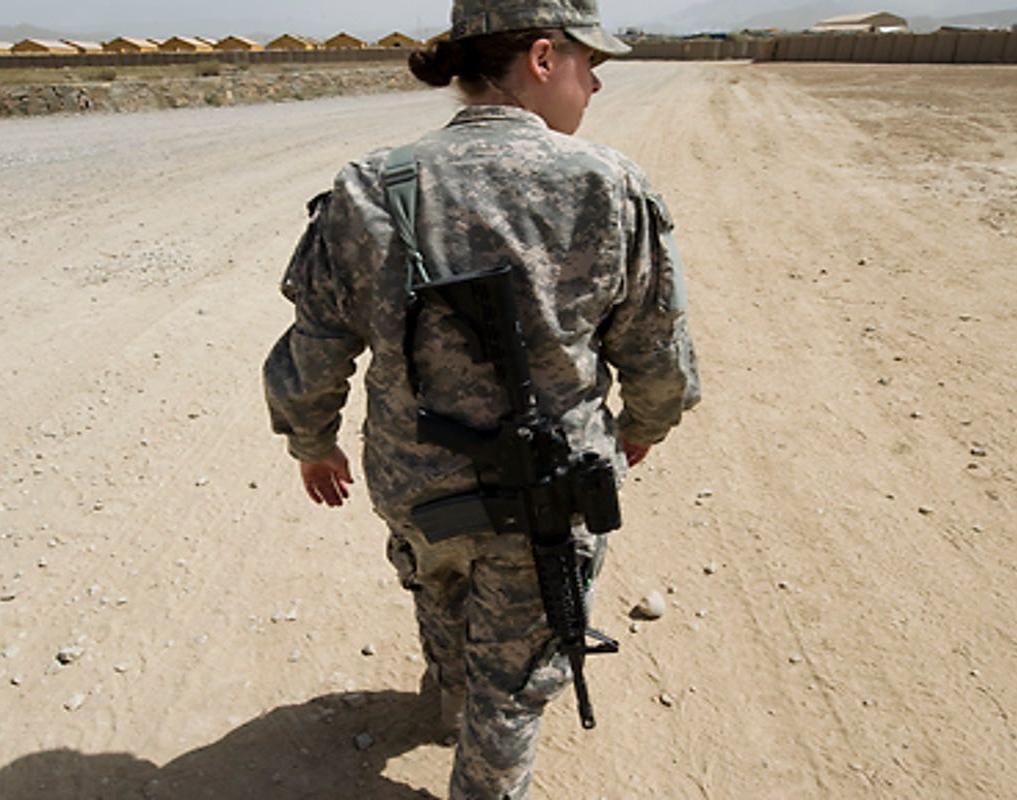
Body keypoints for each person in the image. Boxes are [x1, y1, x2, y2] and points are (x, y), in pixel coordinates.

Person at [262, 1, 699, 796]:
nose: (595, 82)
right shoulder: (607, 183)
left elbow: (315, 342)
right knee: (516, 690)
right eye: (586, 61)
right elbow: (656, 347)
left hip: (415, 482)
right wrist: (645, 424)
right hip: (546, 493)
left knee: (439, 585)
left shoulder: (369, 185)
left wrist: (311, 440)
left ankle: (449, 702)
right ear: (541, 56)